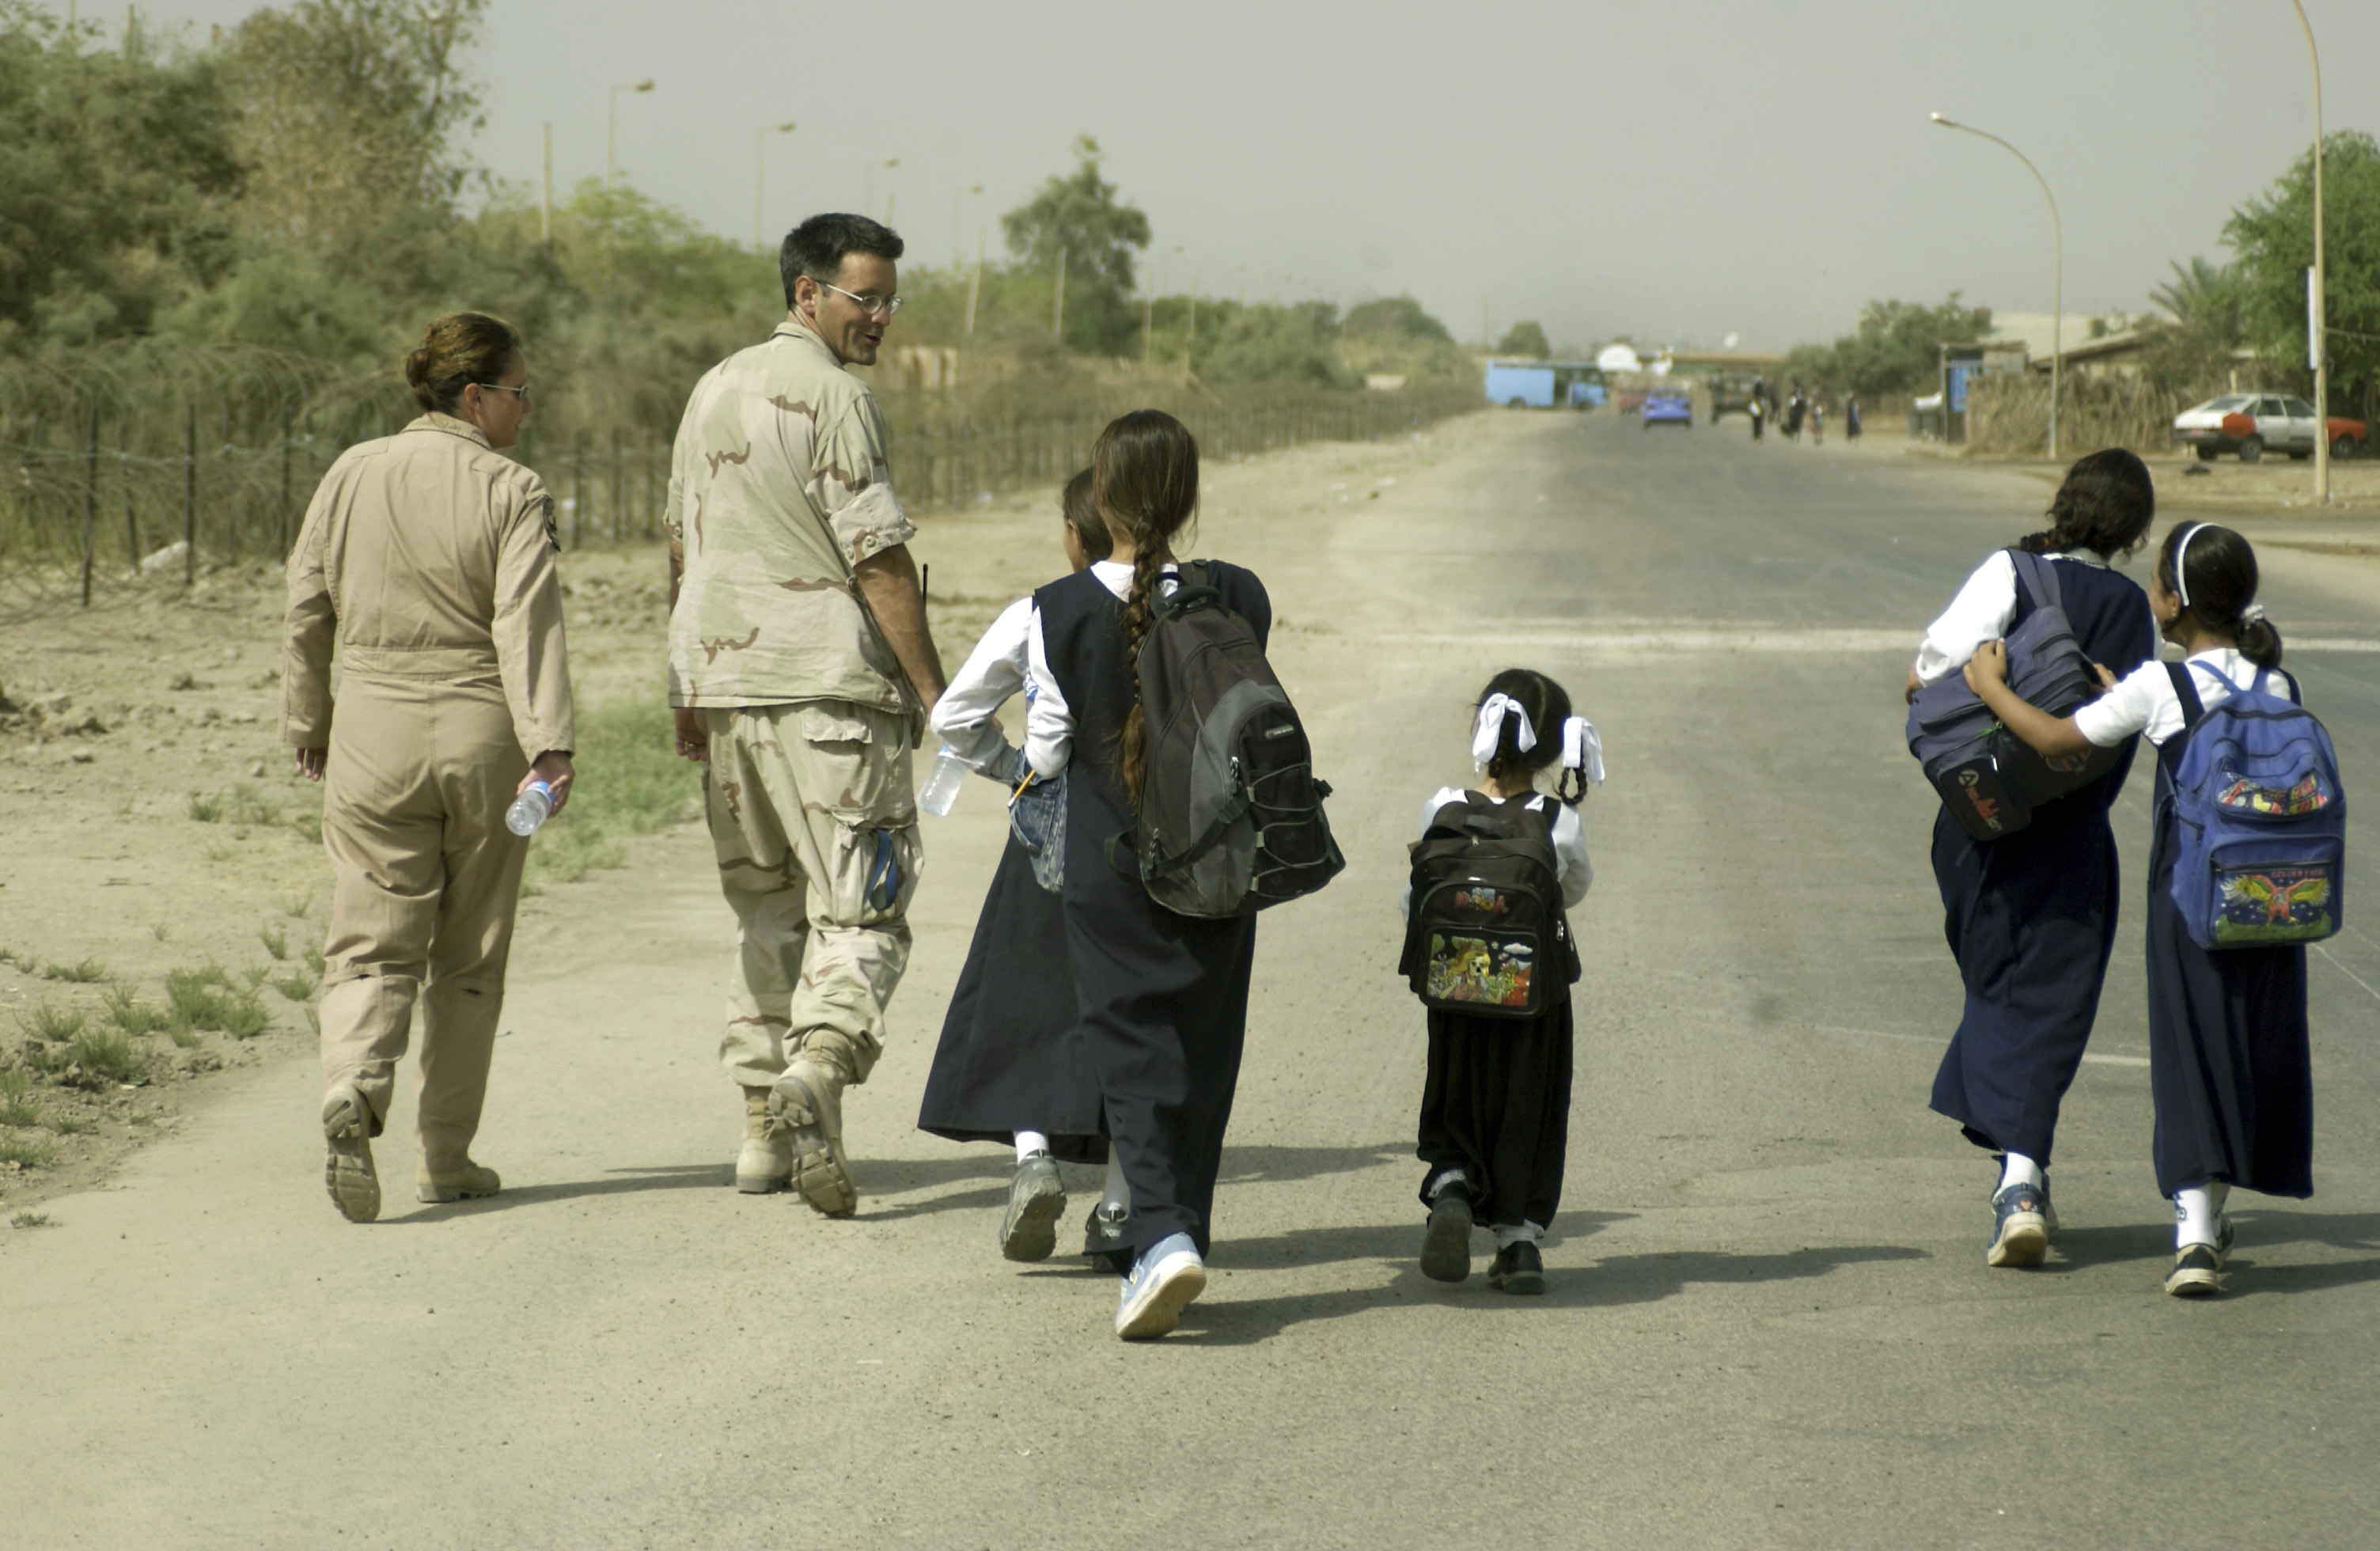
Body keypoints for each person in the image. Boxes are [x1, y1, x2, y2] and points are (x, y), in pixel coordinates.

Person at [663, 213, 947, 1216]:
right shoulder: (838, 399)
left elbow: (681, 549)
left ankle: (757, 1135)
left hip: (727, 691)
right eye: (861, 297)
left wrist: (686, 687)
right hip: (827, 693)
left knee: (762, 907)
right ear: (806, 294)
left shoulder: (709, 390)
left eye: (887, 299)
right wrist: (931, 691)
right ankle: (817, 1071)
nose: (877, 317)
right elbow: (877, 560)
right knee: (862, 907)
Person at [1965, 522, 2312, 1298]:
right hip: (2271, 898)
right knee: (2237, 1051)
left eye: (2157, 581)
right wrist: (2113, 692)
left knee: (2187, 1053)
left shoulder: (2162, 684)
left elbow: (2056, 740)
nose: (2148, 592)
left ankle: (2192, 1238)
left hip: (2189, 899)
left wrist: (1989, 687)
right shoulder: (2274, 683)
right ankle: (2208, 1216)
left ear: (2175, 601)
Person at [284, 311, 574, 1224]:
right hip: (482, 728)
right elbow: (524, 621)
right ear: (476, 395)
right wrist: (549, 743)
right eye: (520, 392)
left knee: (370, 932)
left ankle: (354, 1089)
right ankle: (445, 1156)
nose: (528, 410)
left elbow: (304, 605)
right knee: (471, 951)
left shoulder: (350, 472)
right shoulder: (511, 487)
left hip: (370, 726)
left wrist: (309, 716)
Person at [1021, 409, 1266, 1340]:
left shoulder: (1054, 608)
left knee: (1132, 1058)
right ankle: (1179, 1232)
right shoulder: (1240, 593)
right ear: (1189, 495)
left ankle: (1160, 1237)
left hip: (1109, 870)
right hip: (1219, 863)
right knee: (1205, 1054)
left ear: (1101, 498)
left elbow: (1045, 749)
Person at [1905, 449, 2158, 1268]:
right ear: (2131, 529)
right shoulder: (2131, 605)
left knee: (1994, 985)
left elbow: (1927, 670)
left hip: (1979, 824)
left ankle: (2017, 1182)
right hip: (2074, 834)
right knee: (2048, 1004)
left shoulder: (2007, 570)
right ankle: (2020, 1174)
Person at [917, 470, 1133, 1267]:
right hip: (1150, 836)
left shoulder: (1042, 609)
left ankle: (1033, 1154)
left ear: (1075, 535)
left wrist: (1008, 766)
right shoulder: (1186, 605)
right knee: (1133, 1017)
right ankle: (1118, 1207)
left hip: (1056, 827)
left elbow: (955, 715)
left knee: (1022, 996)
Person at [1409, 670, 1598, 1294]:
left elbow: (1416, 898)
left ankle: (1454, 1187)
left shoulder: (1443, 807)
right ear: (1551, 751)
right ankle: (1518, 1245)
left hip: (1457, 992)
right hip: (1532, 999)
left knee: (1456, 1087)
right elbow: (1572, 890)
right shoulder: (1557, 820)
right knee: (1529, 1107)